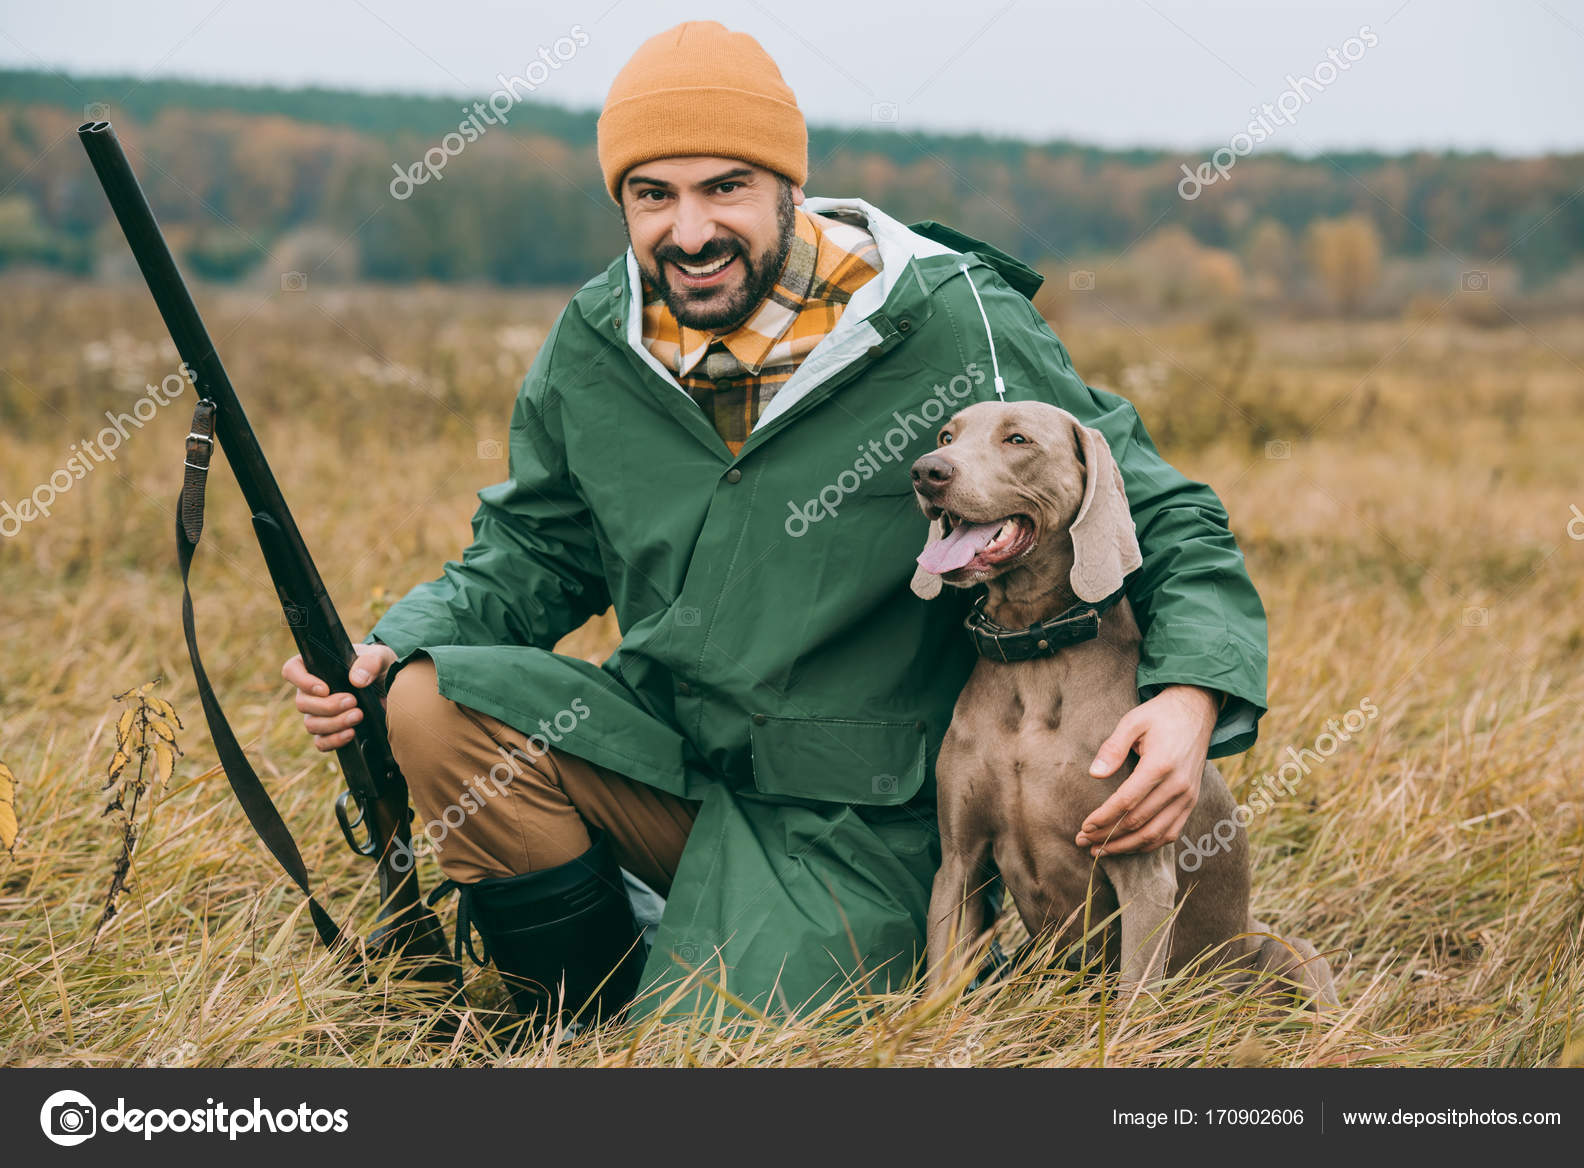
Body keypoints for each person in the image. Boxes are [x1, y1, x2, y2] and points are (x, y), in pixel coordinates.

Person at [282, 20, 1268, 1025]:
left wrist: (1191, 692)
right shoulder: (595, 341)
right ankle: (575, 1005)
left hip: (858, 823)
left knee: (701, 1064)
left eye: (725, 188)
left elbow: (1153, 504)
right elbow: (537, 548)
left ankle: (682, 1002)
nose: (691, 230)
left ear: (787, 186)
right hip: (662, 753)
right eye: (651, 194)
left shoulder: (945, 317)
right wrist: (386, 645)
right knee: (427, 699)